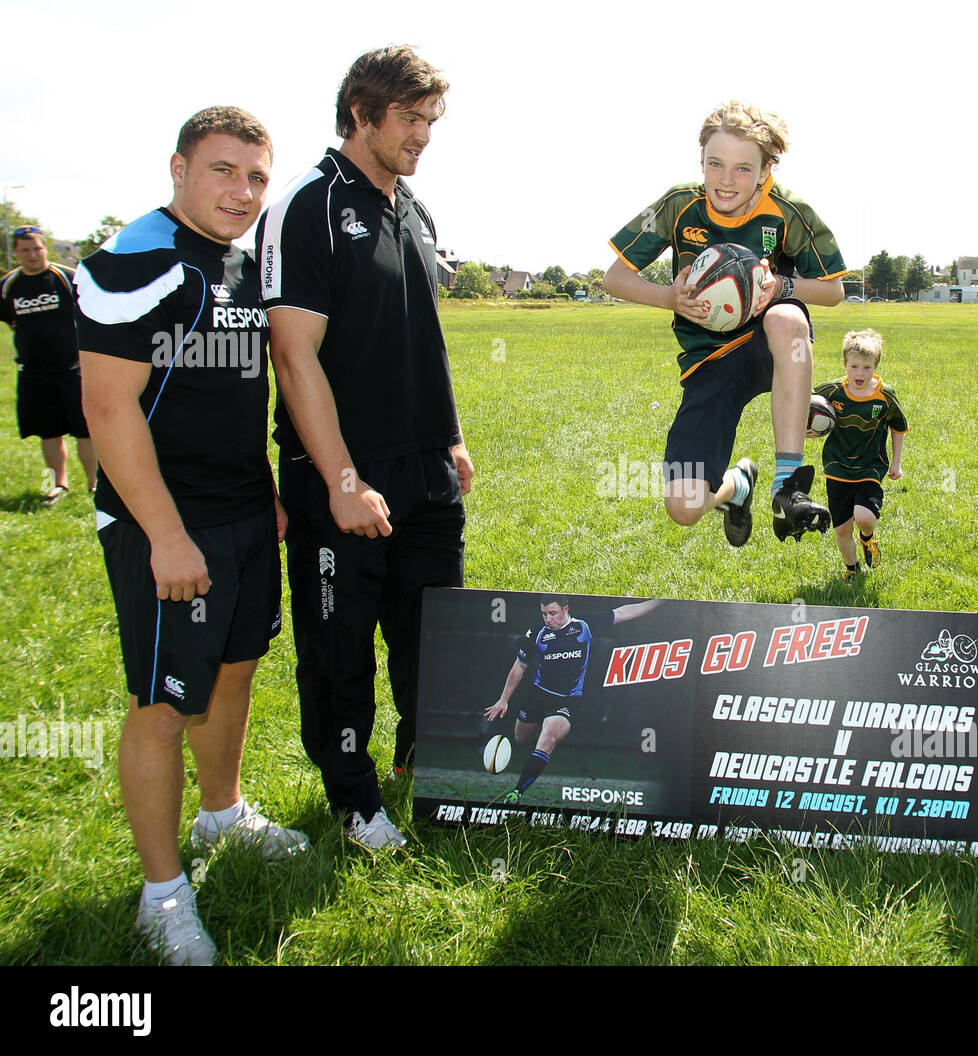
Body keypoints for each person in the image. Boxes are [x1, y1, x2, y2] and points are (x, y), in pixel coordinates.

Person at [76, 107, 306, 966]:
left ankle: (222, 815)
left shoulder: (244, 261)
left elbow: (237, 388)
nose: (242, 191)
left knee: (234, 669)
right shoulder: (136, 257)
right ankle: (163, 895)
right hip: (165, 522)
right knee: (163, 703)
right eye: (222, 171)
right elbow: (108, 407)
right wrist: (166, 535)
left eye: (255, 176)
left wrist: (269, 491)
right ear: (178, 169)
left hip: (244, 509)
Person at [258, 46, 471, 851]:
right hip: (341, 474)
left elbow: (422, 336)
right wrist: (342, 480)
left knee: (432, 632)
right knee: (340, 648)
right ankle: (353, 799)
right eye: (409, 119)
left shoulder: (413, 211)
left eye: (430, 121)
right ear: (361, 113)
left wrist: (449, 438)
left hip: (424, 471)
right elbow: (294, 354)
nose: (422, 135)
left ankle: (427, 770)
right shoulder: (308, 206)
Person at [603, 100, 847, 547]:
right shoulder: (679, 205)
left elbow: (833, 291)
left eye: (741, 168)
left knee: (789, 319)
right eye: (715, 164)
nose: (726, 180)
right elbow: (614, 278)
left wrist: (781, 286)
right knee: (683, 507)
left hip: (767, 345)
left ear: (764, 169)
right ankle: (740, 485)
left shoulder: (788, 213)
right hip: (708, 362)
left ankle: (787, 483)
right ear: (701, 161)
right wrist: (669, 297)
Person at [483, 597, 661, 803]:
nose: (548, 619)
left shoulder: (583, 625)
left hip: (567, 701)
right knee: (521, 739)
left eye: (552, 613)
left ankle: (516, 793)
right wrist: (503, 700)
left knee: (547, 740)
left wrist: (659, 602)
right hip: (537, 696)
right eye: (544, 614)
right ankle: (532, 735)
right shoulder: (537, 633)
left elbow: (623, 612)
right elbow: (520, 666)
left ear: (565, 609)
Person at [1, 226, 97, 503]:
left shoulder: (67, 278)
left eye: (37, 249)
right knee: (48, 431)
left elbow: (93, 312)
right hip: (33, 373)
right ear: (17, 252)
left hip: (73, 370)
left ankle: (93, 484)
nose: (32, 255)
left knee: (85, 431)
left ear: (46, 248)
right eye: (25, 250)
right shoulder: (8, 285)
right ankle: (58, 485)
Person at [813, 329, 907, 578]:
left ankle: (867, 537)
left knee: (864, 517)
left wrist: (896, 463)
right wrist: (806, 427)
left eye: (867, 367)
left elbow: (899, 427)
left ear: (875, 367)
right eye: (854, 366)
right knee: (842, 530)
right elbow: (806, 405)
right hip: (837, 464)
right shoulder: (832, 391)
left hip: (870, 464)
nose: (860, 373)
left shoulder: (885, 396)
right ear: (845, 364)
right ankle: (851, 568)